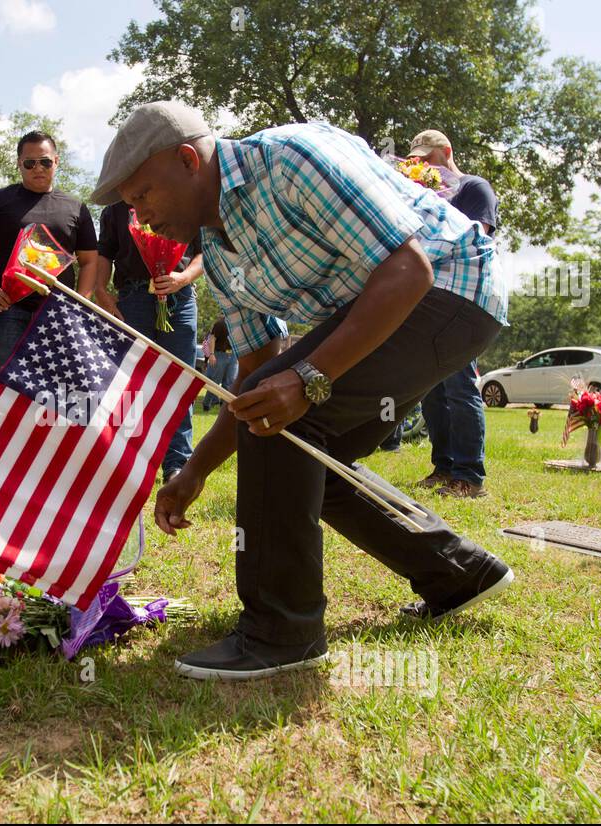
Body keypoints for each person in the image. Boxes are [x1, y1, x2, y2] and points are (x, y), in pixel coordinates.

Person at [91, 102, 513, 681]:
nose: (140, 219)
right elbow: (254, 379)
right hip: (393, 307)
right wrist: (196, 472)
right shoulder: (218, 252)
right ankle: (459, 573)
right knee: (309, 453)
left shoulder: (293, 158)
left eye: (142, 196)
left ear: (188, 160)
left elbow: (407, 269)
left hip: (448, 288)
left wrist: (307, 380)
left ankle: (281, 633)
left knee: (287, 419)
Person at [0, 131, 98, 397]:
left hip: (58, 314)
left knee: (56, 394)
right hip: (6, 310)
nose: (38, 168)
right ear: (18, 163)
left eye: (45, 162)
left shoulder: (76, 208)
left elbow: (90, 261)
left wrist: (79, 303)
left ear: (56, 162)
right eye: (29, 162)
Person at [407, 129, 500, 498]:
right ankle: (444, 466)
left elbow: (479, 235)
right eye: (418, 160)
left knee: (461, 386)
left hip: (465, 296)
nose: (423, 166)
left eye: (428, 159)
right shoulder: (421, 193)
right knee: (431, 387)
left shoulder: (474, 189)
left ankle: (470, 476)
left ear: (447, 151)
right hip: (429, 297)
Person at [94, 200, 204, 482]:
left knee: (179, 380)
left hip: (179, 297)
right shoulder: (114, 210)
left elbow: (204, 253)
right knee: (129, 383)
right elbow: (103, 255)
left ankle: (176, 465)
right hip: (132, 297)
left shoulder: (180, 196)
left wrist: (183, 278)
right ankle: (126, 462)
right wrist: (102, 293)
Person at [201, 317, 237, 412]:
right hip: (219, 355)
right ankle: (206, 404)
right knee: (215, 381)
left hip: (233, 355)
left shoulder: (238, 323)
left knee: (229, 382)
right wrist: (212, 354)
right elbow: (212, 338)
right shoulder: (220, 324)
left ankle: (225, 406)